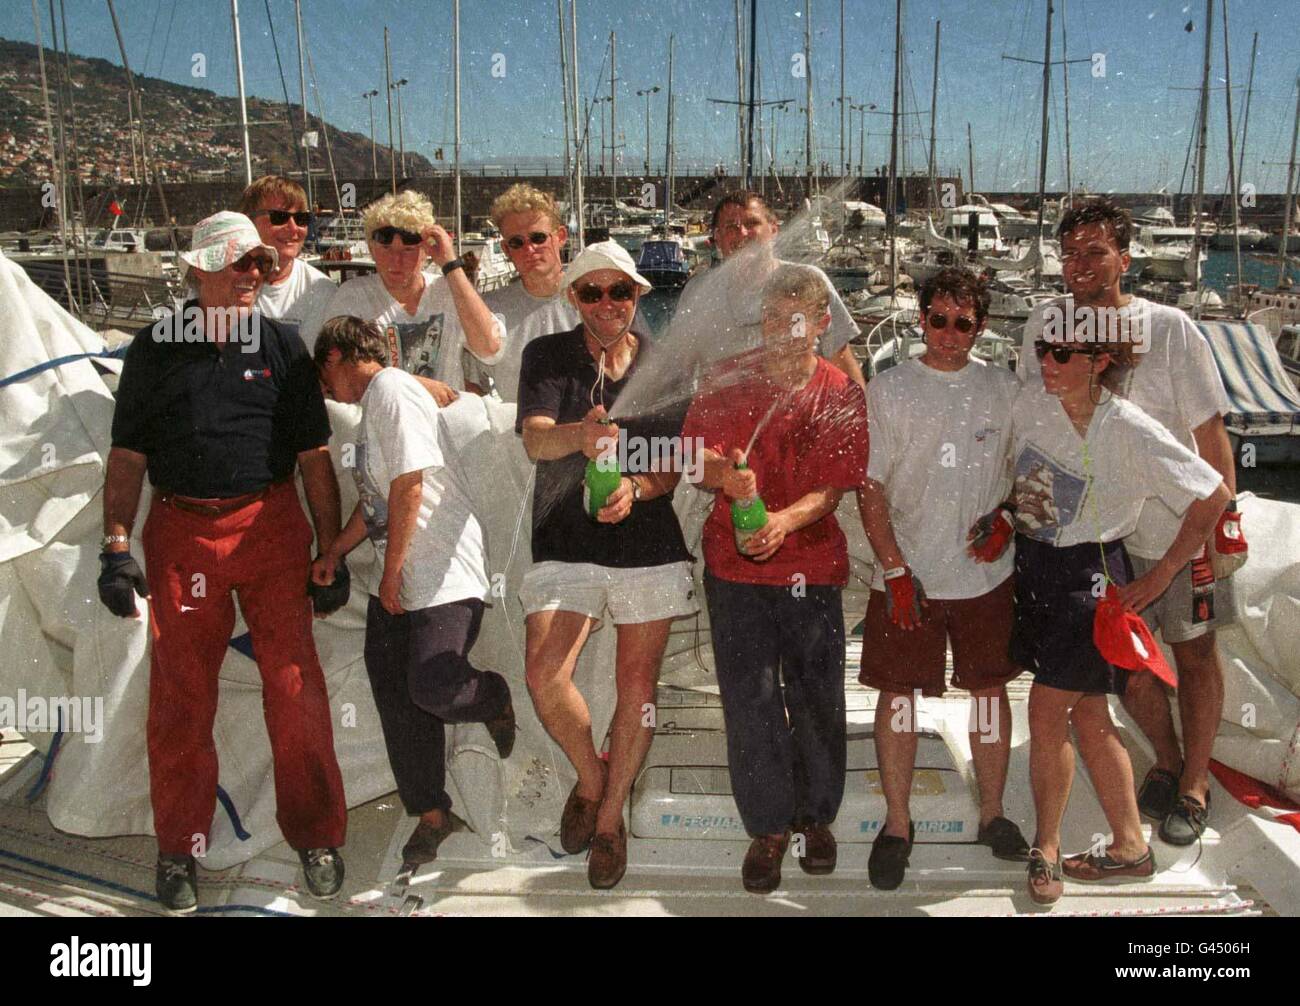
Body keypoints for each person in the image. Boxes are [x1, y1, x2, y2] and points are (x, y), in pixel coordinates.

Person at [98, 211, 348, 913]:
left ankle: (318, 836)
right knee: (180, 696)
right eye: (239, 264)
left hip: (269, 528)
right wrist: (116, 546)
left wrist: (329, 550)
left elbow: (314, 460)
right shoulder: (154, 350)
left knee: (295, 689)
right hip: (181, 531)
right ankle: (180, 849)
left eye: (262, 267)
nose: (252, 277)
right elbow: (128, 457)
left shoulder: (285, 346)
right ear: (200, 269)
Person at [1018, 197, 1242, 847]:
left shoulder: (1170, 329)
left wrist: (1221, 529)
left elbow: (1211, 434)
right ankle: (1166, 761)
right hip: (1096, 535)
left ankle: (1195, 784)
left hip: (1180, 524)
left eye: (1096, 251)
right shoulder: (1045, 321)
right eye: (1070, 253)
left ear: (1126, 257)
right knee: (1127, 665)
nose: (1080, 265)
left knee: (1194, 652)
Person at [993, 318, 1229, 906]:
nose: (1045, 361)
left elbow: (1213, 494)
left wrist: (1163, 572)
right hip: (1038, 570)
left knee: (1047, 712)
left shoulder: (1128, 425)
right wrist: (1001, 515)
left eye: (1062, 353)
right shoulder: (1032, 405)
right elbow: (1018, 483)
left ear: (1099, 361)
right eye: (1044, 349)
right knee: (1091, 716)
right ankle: (1130, 845)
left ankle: (1046, 850)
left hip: (1090, 577)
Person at [517, 240, 697, 889]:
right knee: (543, 674)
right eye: (590, 292)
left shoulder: (665, 367)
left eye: (618, 291)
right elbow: (536, 438)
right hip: (566, 540)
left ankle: (611, 821)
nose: (606, 304)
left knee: (637, 690)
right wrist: (581, 436)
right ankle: (592, 781)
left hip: (647, 542)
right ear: (573, 298)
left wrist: (636, 489)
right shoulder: (548, 355)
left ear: (637, 297)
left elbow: (676, 465)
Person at [682, 264, 867, 893]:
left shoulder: (841, 391)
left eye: (795, 321)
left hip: (811, 568)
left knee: (817, 695)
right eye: (770, 320)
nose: (781, 334)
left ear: (820, 324)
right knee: (749, 698)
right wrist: (722, 475)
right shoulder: (727, 378)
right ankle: (767, 827)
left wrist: (782, 521)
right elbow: (691, 458)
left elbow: (834, 488)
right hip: (734, 569)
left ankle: (816, 817)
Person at [312, 316, 517, 866]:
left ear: (334, 357)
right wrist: (333, 550)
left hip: (442, 573)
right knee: (395, 701)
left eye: (322, 376)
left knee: (432, 685)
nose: (325, 390)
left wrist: (390, 572)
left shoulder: (390, 389)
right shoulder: (373, 411)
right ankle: (431, 812)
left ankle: (494, 695)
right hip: (401, 577)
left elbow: (411, 482)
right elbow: (377, 502)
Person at [856, 268, 1028, 891]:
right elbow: (869, 485)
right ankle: (897, 825)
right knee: (898, 698)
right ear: (919, 319)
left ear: (980, 327)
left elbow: (1030, 468)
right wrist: (895, 567)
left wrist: (1009, 515)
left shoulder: (1007, 390)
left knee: (989, 694)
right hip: (908, 576)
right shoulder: (889, 389)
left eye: (964, 323)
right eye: (939, 320)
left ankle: (993, 814)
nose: (950, 335)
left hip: (986, 578)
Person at [309, 190, 506, 406]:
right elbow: (339, 373)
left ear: (425, 251)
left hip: (446, 427)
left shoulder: (450, 291)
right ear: (372, 249)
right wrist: (417, 385)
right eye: (386, 248)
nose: (396, 259)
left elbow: (490, 350)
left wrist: (450, 265)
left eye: (409, 249)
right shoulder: (352, 296)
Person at [671, 189, 867, 391]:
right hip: (723, 417)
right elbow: (682, 370)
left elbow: (843, 362)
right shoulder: (699, 291)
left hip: (800, 415)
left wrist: (862, 415)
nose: (743, 233)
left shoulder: (810, 281)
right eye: (731, 226)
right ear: (717, 238)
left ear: (774, 229)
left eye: (751, 223)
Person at [238, 175, 336, 349]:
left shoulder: (322, 291)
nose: (293, 229)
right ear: (248, 221)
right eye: (279, 217)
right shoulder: (219, 283)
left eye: (301, 219)